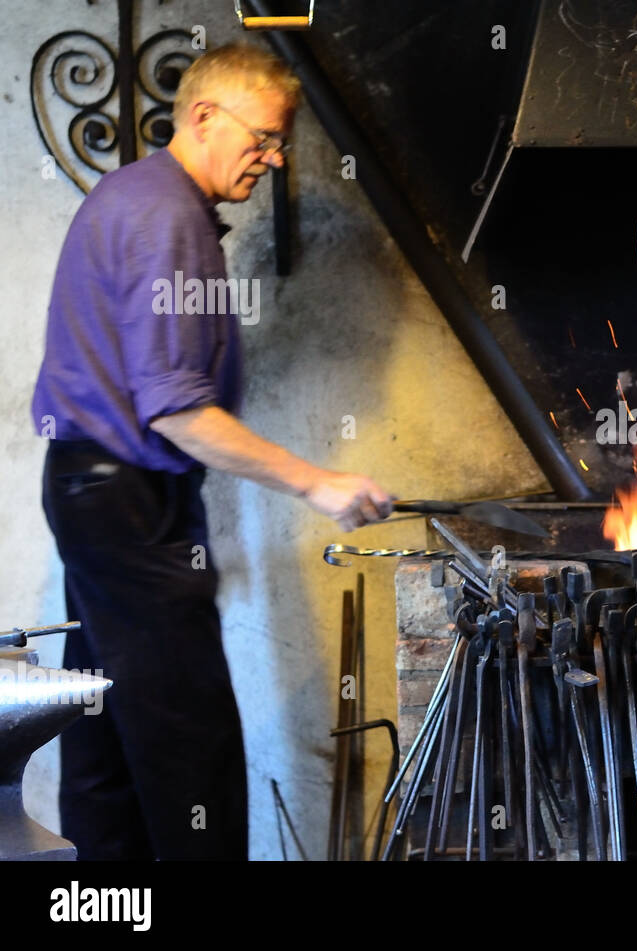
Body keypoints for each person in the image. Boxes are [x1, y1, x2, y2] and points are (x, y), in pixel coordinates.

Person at [30, 43, 393, 860]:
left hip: (96, 496)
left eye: (279, 144)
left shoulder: (139, 197)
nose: (271, 159)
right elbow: (177, 413)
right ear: (203, 116)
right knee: (192, 753)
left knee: (108, 742)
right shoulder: (169, 218)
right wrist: (319, 481)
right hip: (128, 506)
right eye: (263, 138)